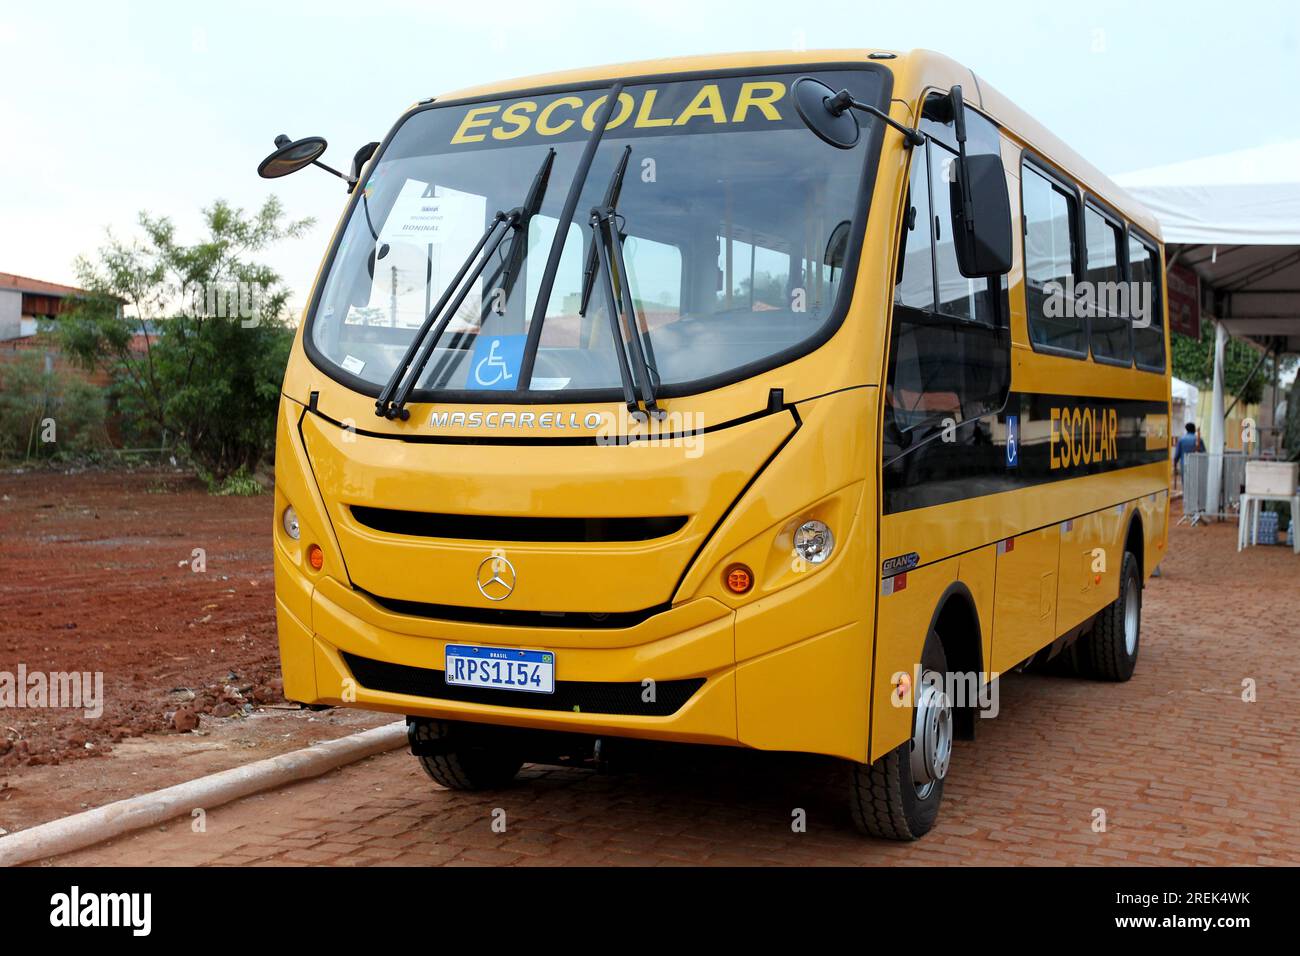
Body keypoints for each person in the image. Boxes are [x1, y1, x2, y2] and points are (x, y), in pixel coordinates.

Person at [1173, 421, 1205, 488]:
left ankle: (1186, 497)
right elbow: (1203, 453)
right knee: (1195, 484)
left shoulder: (1181, 440)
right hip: (1196, 465)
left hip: (1184, 464)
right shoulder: (1199, 439)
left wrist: (1175, 463)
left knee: (1185, 484)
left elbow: (1177, 455)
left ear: (1186, 429)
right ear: (1194, 429)